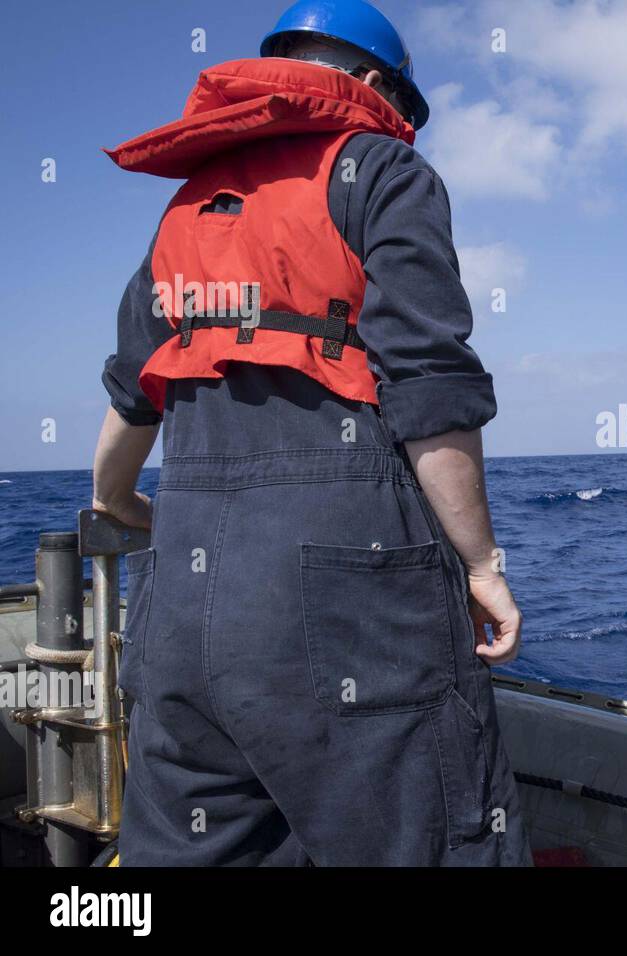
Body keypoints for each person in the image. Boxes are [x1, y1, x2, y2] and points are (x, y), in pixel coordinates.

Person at [91, 0, 530, 865]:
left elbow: (130, 391)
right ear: (372, 85)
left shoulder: (188, 206)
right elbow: (430, 388)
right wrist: (482, 564)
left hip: (180, 601)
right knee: (434, 838)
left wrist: (115, 500)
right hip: (345, 592)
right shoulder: (382, 170)